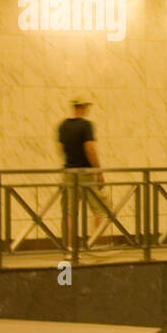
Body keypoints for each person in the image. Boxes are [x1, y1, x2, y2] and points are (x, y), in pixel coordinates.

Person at [58, 96, 104, 248]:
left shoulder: (63, 126)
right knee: (100, 208)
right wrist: (99, 171)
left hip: (68, 171)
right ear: (83, 107)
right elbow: (90, 148)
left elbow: (61, 149)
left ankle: (70, 246)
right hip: (86, 172)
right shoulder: (86, 126)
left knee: (70, 211)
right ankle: (93, 242)